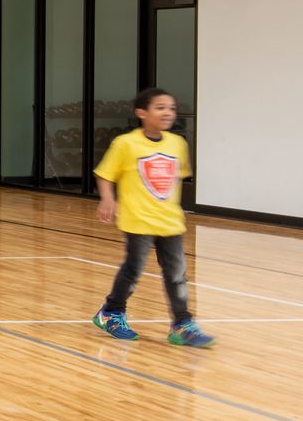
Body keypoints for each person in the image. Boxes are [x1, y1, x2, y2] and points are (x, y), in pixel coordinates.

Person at [91, 88, 215, 348]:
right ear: (141, 113)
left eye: (171, 108)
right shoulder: (125, 143)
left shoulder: (177, 144)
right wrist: (108, 198)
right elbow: (105, 174)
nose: (168, 112)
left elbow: (171, 181)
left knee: (177, 274)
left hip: (169, 221)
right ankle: (111, 312)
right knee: (134, 269)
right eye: (160, 107)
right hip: (138, 219)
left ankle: (182, 325)